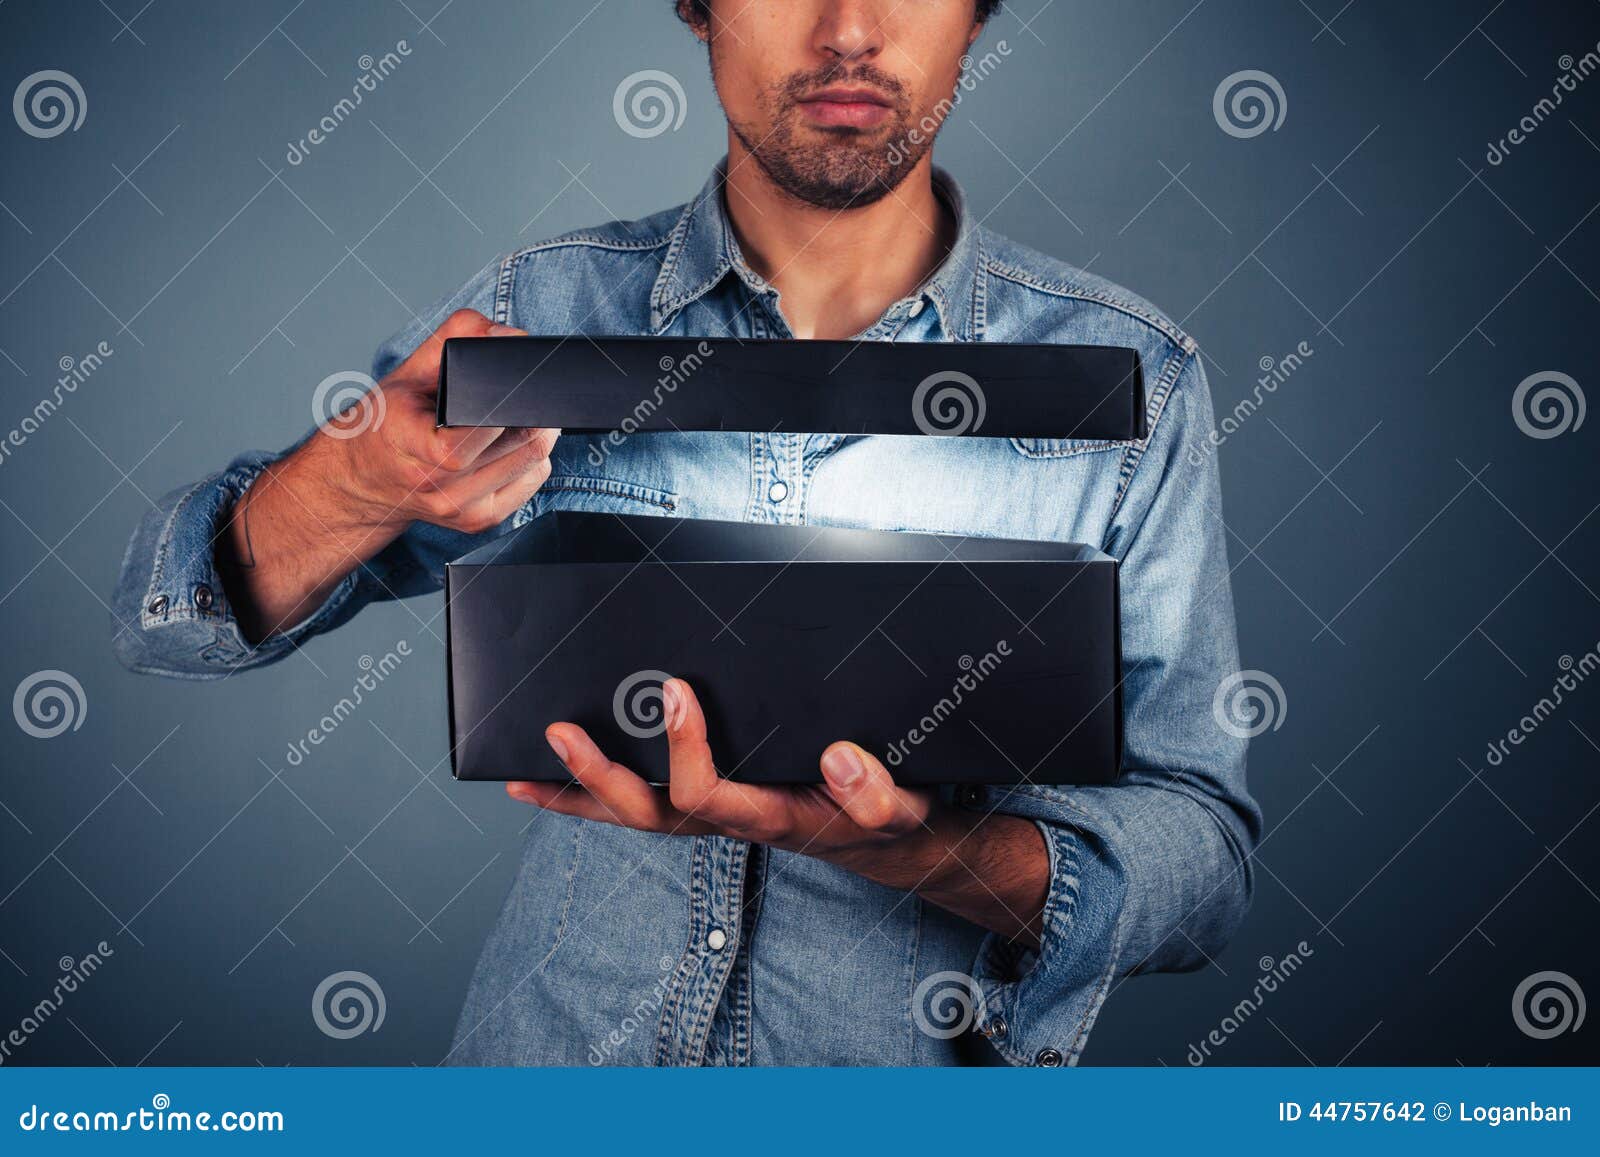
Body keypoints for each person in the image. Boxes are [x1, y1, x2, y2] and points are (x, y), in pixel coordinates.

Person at [112, 0, 1260, 1066]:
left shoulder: (1134, 378)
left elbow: (1201, 860)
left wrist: (923, 854)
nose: (848, 29)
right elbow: (169, 618)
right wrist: (353, 482)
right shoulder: (545, 309)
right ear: (698, 6)